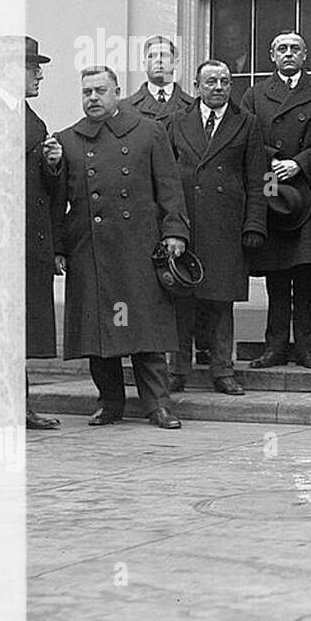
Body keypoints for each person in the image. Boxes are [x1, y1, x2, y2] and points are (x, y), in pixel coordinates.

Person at [54, 67, 189, 430]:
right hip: (91, 252)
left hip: (139, 248)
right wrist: (59, 247)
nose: (93, 98)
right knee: (100, 335)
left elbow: (170, 187)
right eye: (86, 92)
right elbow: (56, 200)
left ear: (117, 92)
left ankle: (158, 406)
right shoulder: (68, 140)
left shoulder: (148, 132)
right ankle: (109, 402)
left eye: (100, 90)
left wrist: (175, 231)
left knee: (145, 332)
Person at [165, 60, 269, 396]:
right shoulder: (177, 123)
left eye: (225, 81)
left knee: (221, 301)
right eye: (211, 81)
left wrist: (255, 222)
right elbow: (165, 179)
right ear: (197, 86)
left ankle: (223, 371)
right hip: (187, 224)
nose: (219, 87)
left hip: (227, 226)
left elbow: (261, 179)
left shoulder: (248, 123)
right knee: (182, 300)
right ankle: (177, 369)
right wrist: (169, 225)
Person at [241, 32, 311, 369]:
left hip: (306, 188)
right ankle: (274, 346)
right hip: (271, 187)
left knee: (304, 272)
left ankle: (307, 348)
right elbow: (245, 139)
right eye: (282, 49)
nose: (289, 54)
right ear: (271, 56)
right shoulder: (254, 95)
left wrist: (299, 162)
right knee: (276, 273)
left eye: (295, 49)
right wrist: (274, 157)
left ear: (305, 55)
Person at [0, 35, 63, 430]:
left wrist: (52, 165)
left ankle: (19, 408)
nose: (39, 75)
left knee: (16, 333)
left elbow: (42, 189)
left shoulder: (33, 118)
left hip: (27, 244)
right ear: (8, 69)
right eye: (33, 67)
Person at [126, 35, 195, 121]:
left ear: (175, 63)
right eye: (152, 56)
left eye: (165, 55)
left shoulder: (193, 107)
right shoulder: (127, 108)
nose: (158, 60)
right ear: (144, 64)